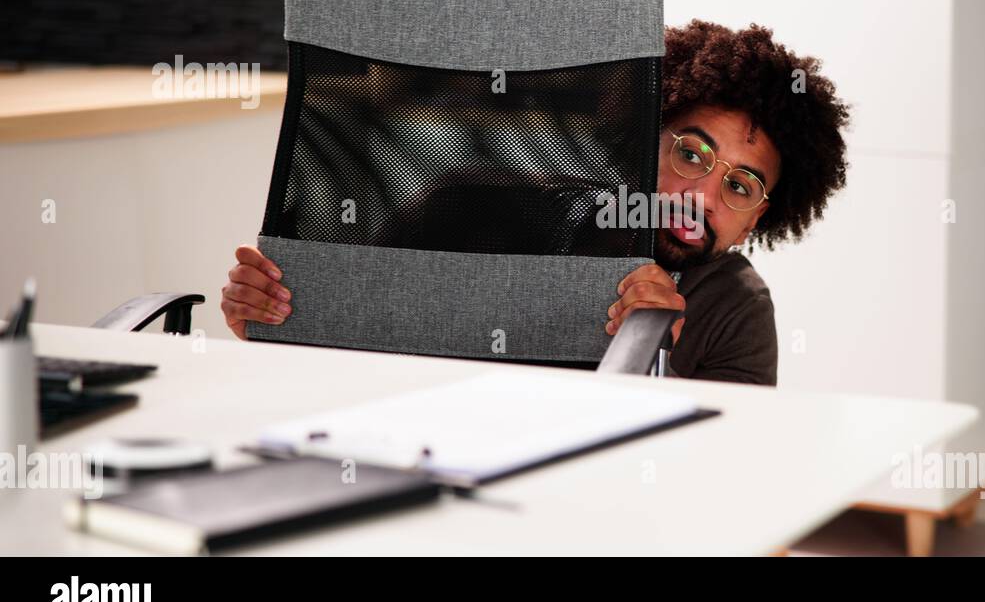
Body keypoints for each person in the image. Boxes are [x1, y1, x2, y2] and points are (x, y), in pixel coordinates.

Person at [222, 20, 850, 385]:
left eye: (739, 187)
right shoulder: (479, 210)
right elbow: (353, 367)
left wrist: (650, 359)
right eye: (691, 154)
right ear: (641, 139)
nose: (700, 198)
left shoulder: (735, 309)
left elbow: (714, 493)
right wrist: (277, 318)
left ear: (759, 214)